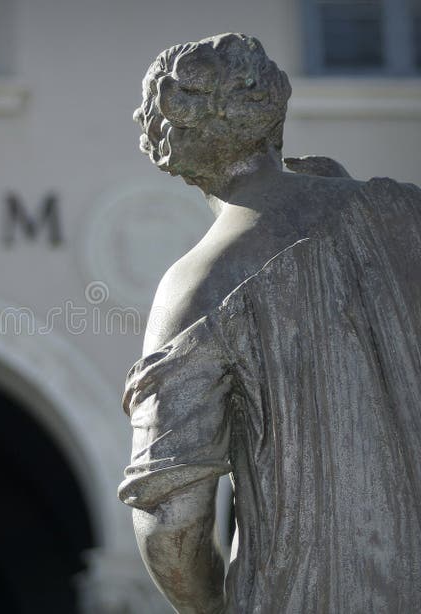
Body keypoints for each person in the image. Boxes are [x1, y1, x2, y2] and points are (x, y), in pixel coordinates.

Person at [119, 32, 421, 613]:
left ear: (166, 140)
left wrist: (214, 607)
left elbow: (168, 520)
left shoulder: (196, 285)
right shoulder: (405, 215)